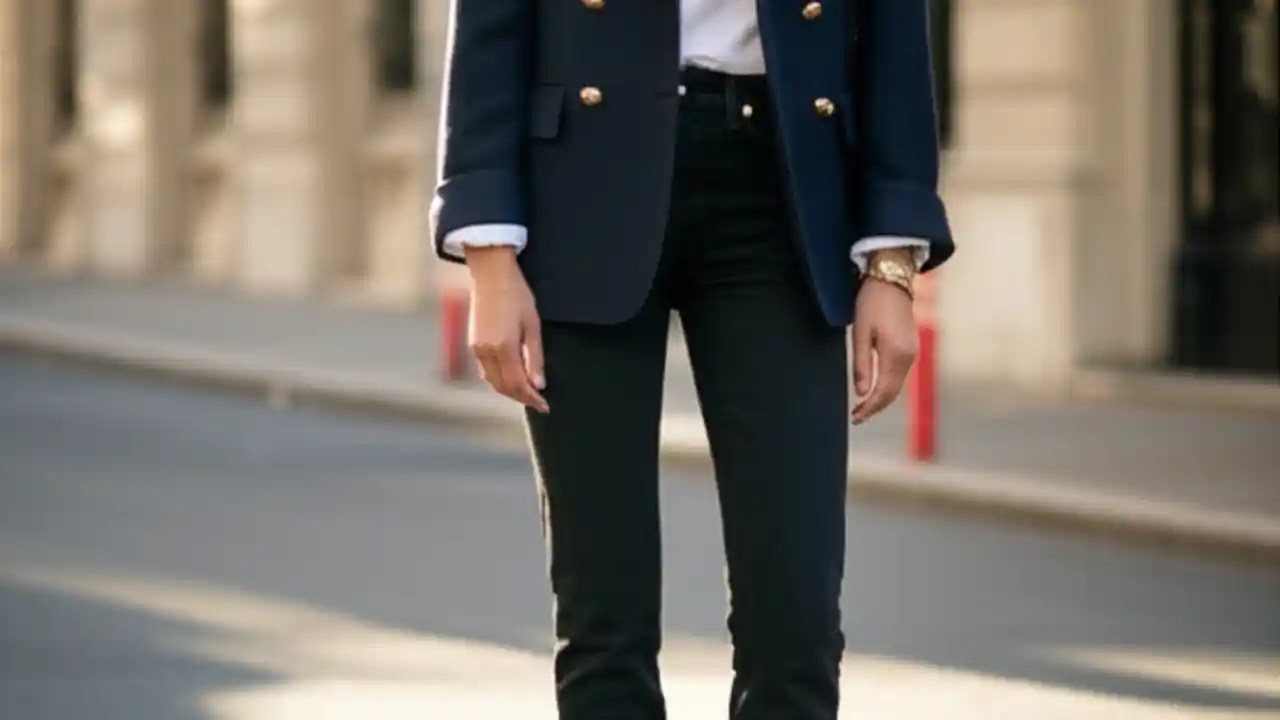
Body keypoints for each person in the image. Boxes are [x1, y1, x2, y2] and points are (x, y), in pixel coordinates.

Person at [431, 1, 954, 717]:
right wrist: (489, 255)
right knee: (603, 624)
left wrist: (892, 261)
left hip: (784, 195)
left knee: (795, 625)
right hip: (582, 185)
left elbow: (891, 29)